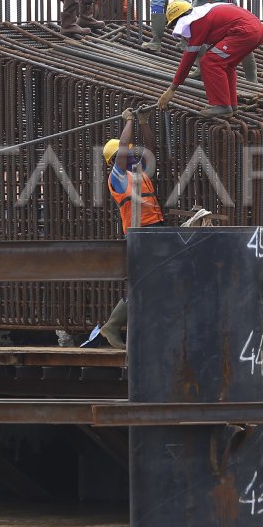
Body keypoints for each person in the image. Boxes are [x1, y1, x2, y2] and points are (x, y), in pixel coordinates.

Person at [99, 108, 165, 349]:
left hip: (154, 231)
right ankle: (112, 325)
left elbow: (150, 150)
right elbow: (125, 144)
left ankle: (117, 326)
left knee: (154, 282)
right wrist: (128, 120)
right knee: (143, 282)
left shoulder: (138, 173)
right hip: (139, 235)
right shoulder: (117, 178)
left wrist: (144, 122)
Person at [157, 0, 263, 119]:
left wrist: (172, 89)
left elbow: (188, 58)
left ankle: (221, 106)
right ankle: (231, 105)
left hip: (244, 32)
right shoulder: (205, 13)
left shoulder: (196, 22)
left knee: (209, 62)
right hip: (255, 30)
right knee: (226, 65)